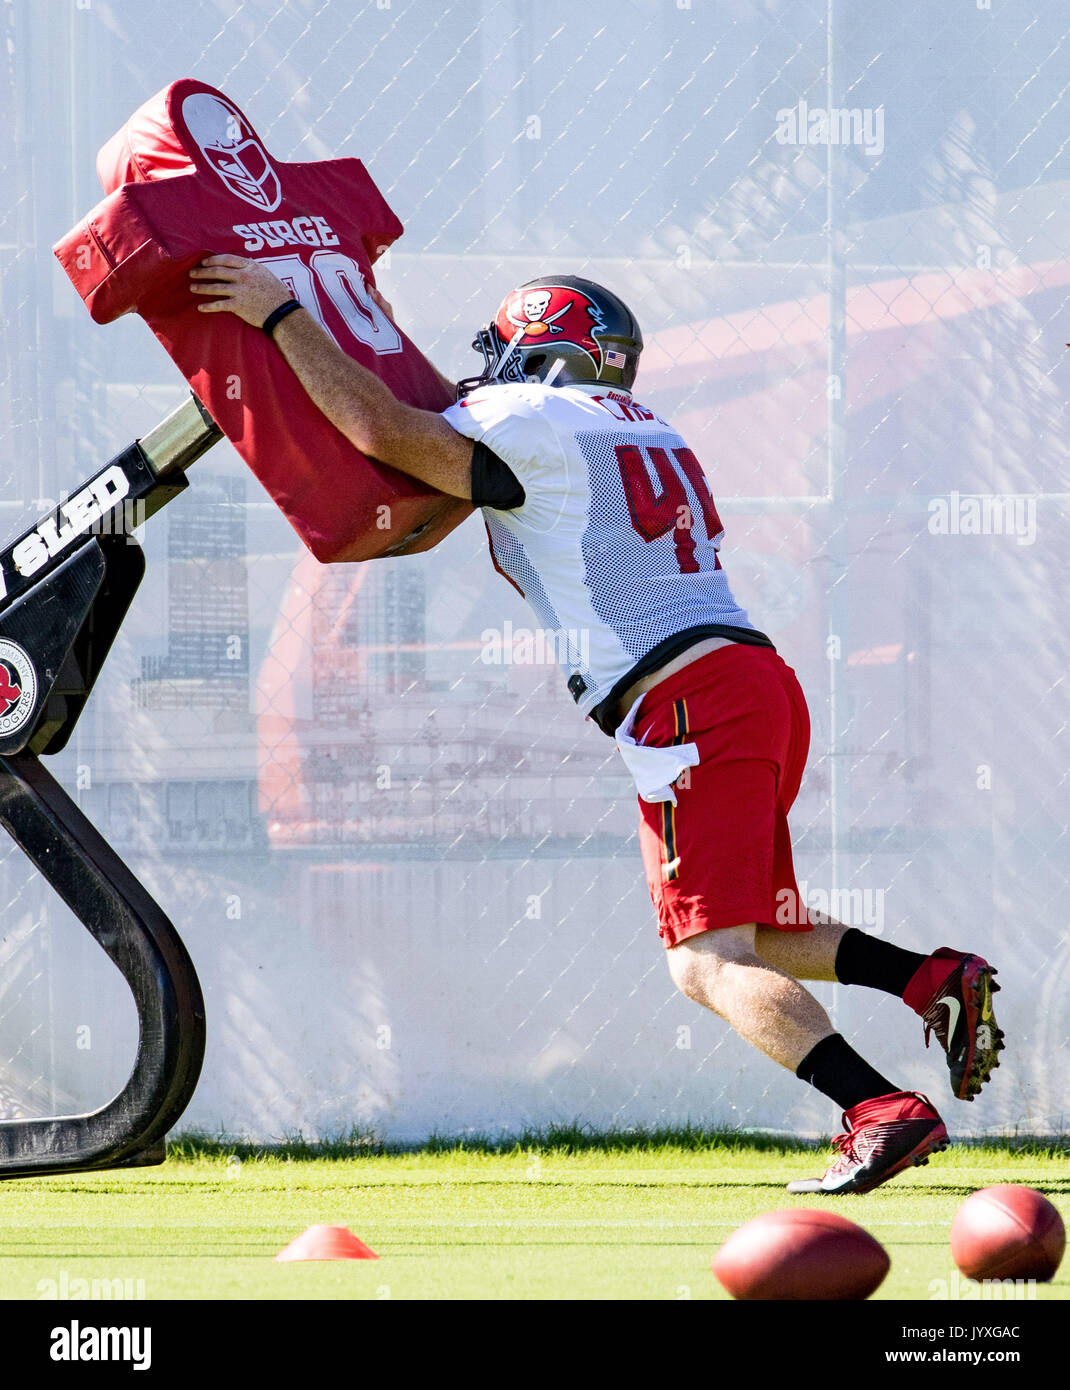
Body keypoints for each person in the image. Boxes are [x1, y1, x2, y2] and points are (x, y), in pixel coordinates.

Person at [189, 257, 1005, 1194]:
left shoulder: (526, 418)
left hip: (685, 696)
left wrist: (283, 312)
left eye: (503, 353)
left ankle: (878, 1110)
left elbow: (382, 429)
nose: (486, 372)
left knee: (704, 962)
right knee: (762, 928)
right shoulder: (642, 423)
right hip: (752, 679)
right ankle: (930, 979)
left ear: (542, 352)